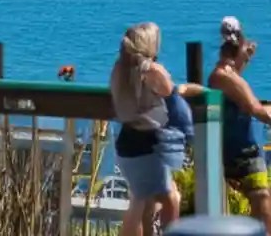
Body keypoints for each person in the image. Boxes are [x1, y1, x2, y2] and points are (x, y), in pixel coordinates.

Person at [109, 22, 198, 236]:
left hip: (127, 141)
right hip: (148, 143)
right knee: (163, 199)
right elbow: (172, 96)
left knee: (142, 200)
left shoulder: (119, 69)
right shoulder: (152, 71)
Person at [208, 16, 271, 231]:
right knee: (263, 201)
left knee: (260, 204)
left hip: (238, 151)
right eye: (246, 51)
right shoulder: (227, 78)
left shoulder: (225, 75)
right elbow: (255, 108)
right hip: (243, 155)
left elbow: (239, 90)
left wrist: (244, 55)